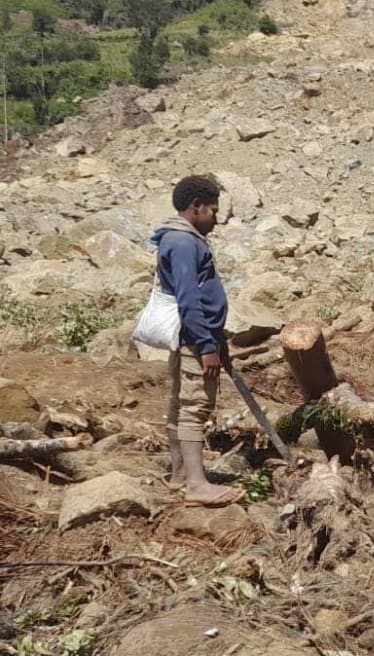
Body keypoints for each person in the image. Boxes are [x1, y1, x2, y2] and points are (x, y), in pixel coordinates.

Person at [152, 175, 244, 507]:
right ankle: (196, 484)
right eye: (213, 211)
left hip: (193, 336)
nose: (216, 220)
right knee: (195, 407)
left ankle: (179, 475)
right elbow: (189, 300)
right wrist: (207, 347)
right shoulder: (184, 242)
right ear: (196, 207)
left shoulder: (178, 239)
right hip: (194, 339)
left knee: (180, 404)